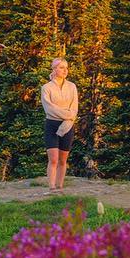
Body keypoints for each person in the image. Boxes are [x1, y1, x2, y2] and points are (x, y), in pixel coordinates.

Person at [40, 56, 78, 190]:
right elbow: (49, 108)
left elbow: (74, 108)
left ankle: (60, 186)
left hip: (68, 126)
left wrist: (69, 116)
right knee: (54, 159)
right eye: (62, 67)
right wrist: (68, 114)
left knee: (63, 160)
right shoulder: (46, 88)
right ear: (54, 69)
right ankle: (51, 187)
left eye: (66, 68)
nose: (65, 70)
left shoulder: (72, 87)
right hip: (52, 125)